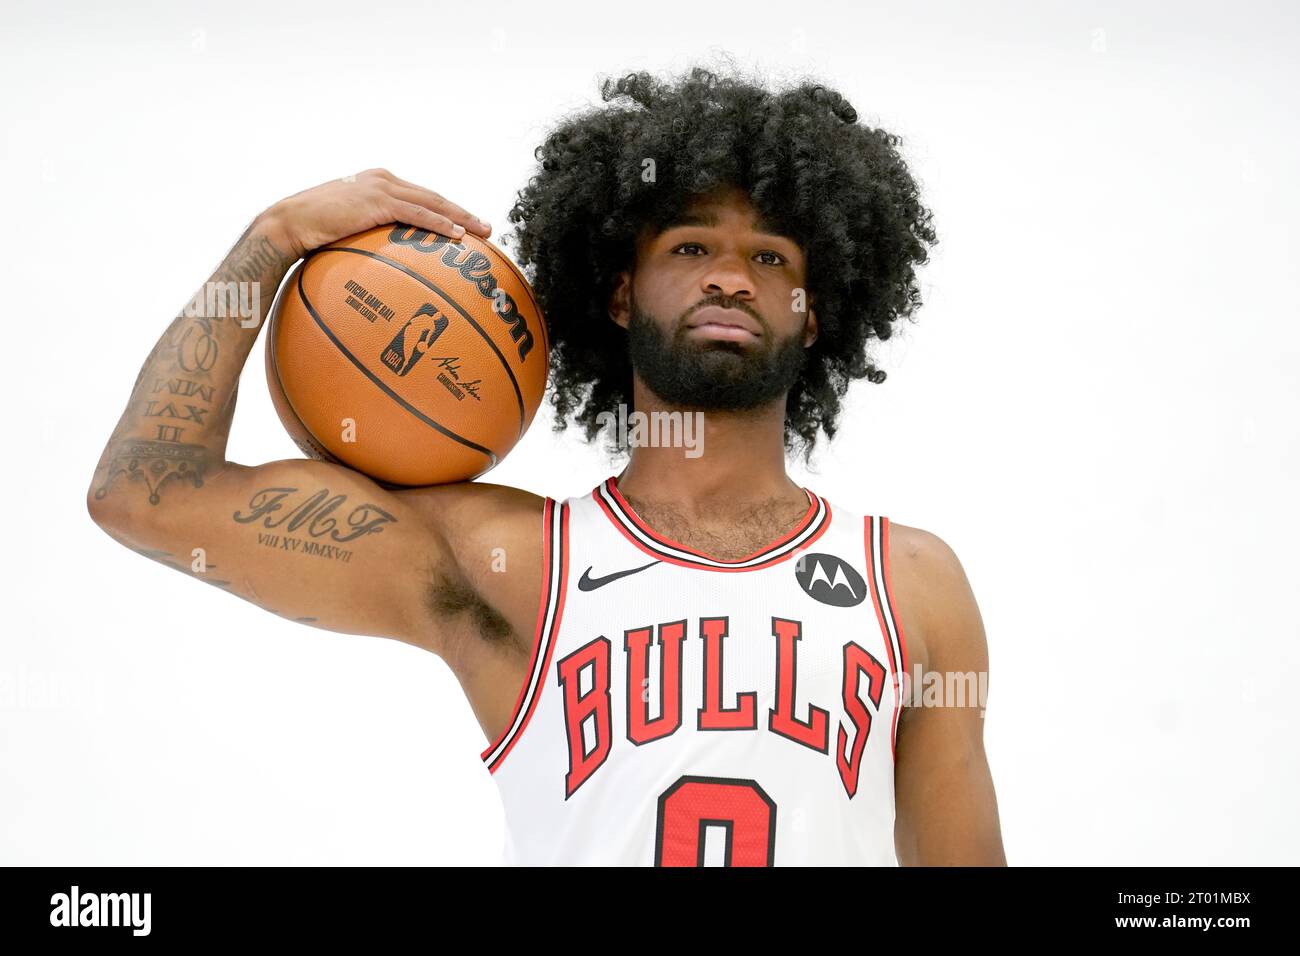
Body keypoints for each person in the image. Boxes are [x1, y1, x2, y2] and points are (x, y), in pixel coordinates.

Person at [86, 65, 1005, 866]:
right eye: (691, 248)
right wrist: (276, 235)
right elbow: (146, 495)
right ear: (617, 293)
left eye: (769, 257)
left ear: (814, 311)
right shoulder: (505, 560)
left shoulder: (913, 585)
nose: (731, 277)